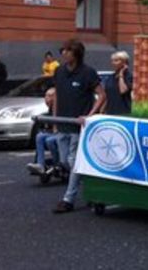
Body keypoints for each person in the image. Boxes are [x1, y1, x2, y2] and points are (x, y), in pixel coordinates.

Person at [52, 39, 106, 214]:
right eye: (62, 50)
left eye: (68, 50)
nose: (64, 53)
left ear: (76, 54)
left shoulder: (87, 72)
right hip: (62, 124)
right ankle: (93, 190)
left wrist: (89, 116)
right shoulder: (59, 71)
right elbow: (57, 95)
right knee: (64, 162)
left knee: (73, 161)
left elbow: (101, 95)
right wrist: (54, 119)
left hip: (78, 126)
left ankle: (68, 199)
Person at [27, 88, 62, 175]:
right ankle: (40, 164)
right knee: (40, 136)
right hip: (53, 133)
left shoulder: (60, 108)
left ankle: (57, 162)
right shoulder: (50, 108)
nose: (47, 99)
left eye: (50, 96)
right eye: (46, 96)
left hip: (62, 133)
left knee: (50, 140)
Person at [103, 51, 133, 115]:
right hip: (110, 111)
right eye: (112, 61)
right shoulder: (110, 77)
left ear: (124, 62)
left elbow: (123, 91)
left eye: (116, 61)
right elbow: (107, 95)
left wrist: (121, 75)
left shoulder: (128, 76)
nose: (113, 63)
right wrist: (102, 110)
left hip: (123, 112)